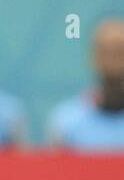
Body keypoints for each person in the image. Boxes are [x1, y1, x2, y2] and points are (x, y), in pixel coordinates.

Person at [46, 18, 124, 150]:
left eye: (120, 52)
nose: (114, 62)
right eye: (106, 52)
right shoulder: (65, 123)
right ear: (94, 57)